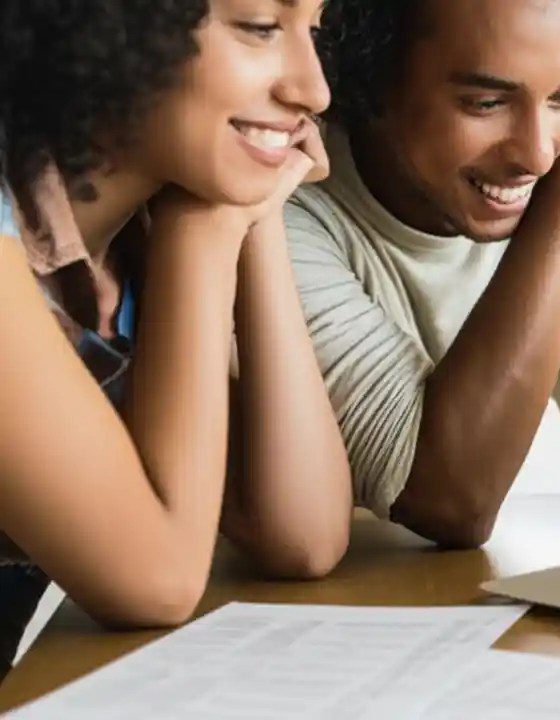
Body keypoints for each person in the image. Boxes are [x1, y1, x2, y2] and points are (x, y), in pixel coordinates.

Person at [285, 0, 560, 549]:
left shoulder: (556, 182)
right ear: (367, 74)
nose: (537, 155)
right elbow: (450, 502)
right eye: (487, 103)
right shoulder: (289, 202)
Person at [0, 0, 351, 675]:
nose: (313, 89)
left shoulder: (141, 236)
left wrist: (245, 213)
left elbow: (301, 535)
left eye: (316, 30)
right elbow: (157, 582)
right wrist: (211, 234)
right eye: (258, 27)